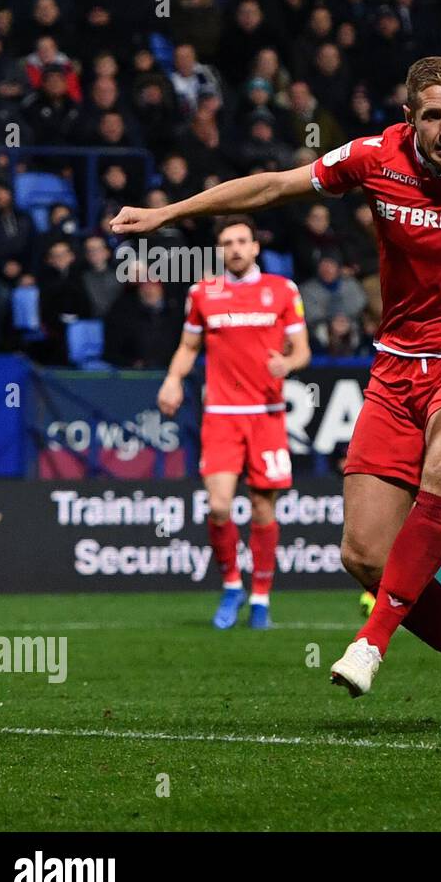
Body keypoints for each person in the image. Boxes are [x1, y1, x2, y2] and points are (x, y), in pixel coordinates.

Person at [112, 56, 441, 733]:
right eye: (433, 116)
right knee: (362, 553)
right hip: (396, 370)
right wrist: (171, 213)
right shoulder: (373, 158)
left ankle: (373, 641)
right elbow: (274, 186)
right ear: (409, 119)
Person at [153, 216, 311, 629]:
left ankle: (260, 598)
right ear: (219, 250)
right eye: (228, 242)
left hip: (267, 416)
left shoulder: (282, 290)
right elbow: (189, 346)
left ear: (256, 247)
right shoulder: (203, 293)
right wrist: (172, 379)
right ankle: (230, 584)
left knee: (263, 508)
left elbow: (302, 350)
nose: (236, 248)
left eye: (243, 241)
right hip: (221, 414)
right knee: (219, 505)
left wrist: (288, 363)